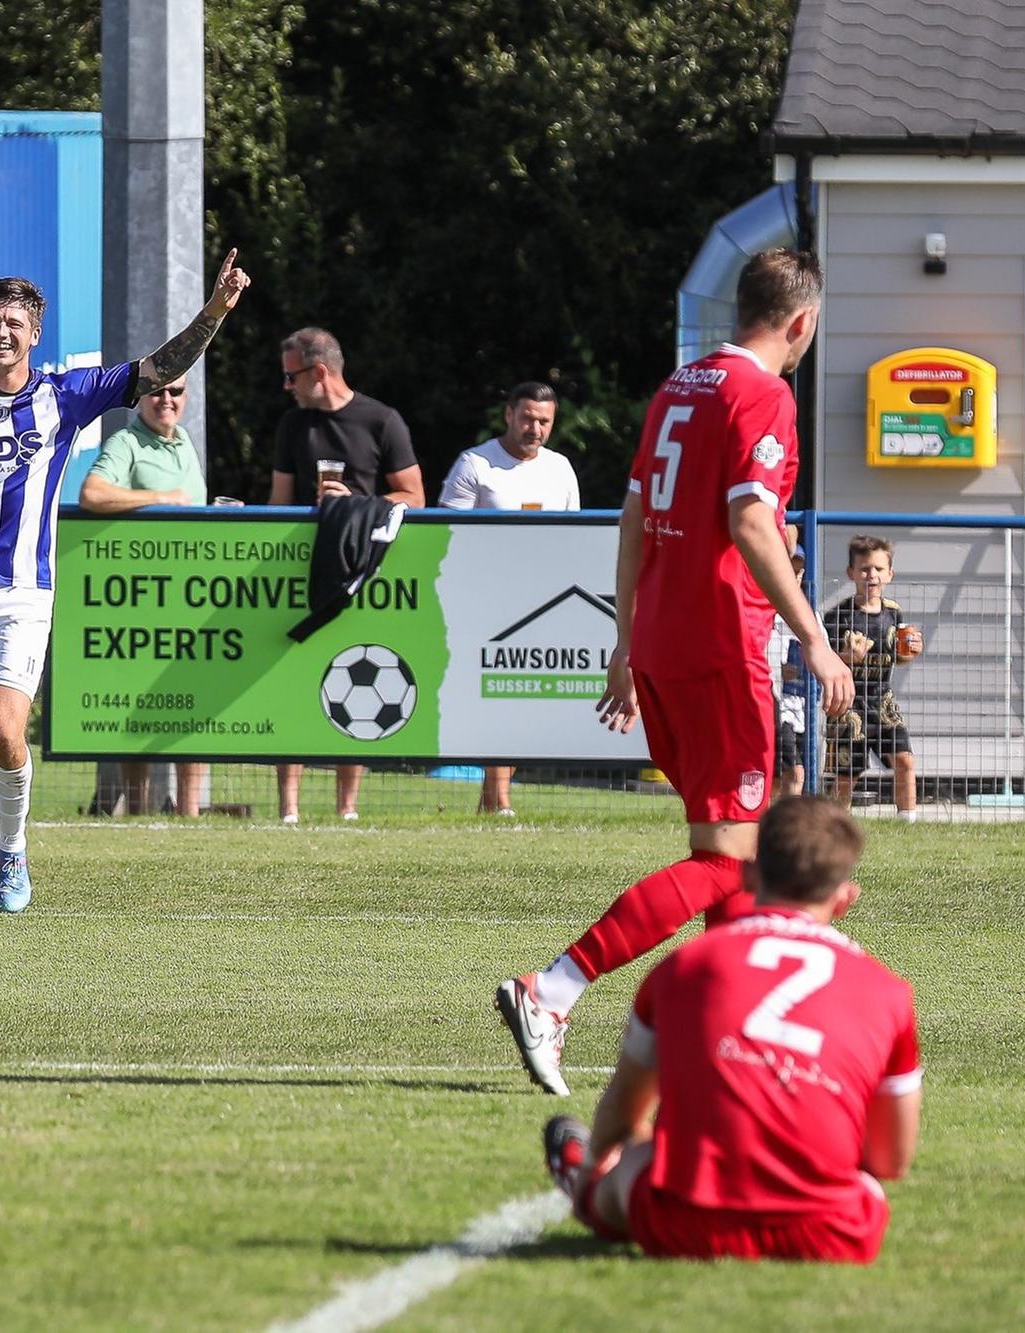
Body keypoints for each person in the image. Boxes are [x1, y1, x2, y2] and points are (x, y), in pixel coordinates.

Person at [495, 248, 856, 1096]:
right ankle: (552, 988)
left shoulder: (679, 387)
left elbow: (631, 520)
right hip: (722, 645)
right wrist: (814, 634)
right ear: (800, 322)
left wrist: (627, 640)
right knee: (730, 861)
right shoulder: (763, 393)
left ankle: (716, 1045)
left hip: (662, 640)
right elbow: (752, 521)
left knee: (720, 849)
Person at [0, 252, 252, 914]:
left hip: (22, 593)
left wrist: (217, 309)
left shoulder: (66, 395)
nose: (2, 331)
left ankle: (12, 850)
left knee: (2, 729)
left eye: (14, 322)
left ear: (35, 334)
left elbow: (158, 369)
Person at [543, 796, 922, 1264]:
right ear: (846, 898)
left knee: (635, 1160)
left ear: (746, 875)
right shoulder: (888, 992)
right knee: (864, 1182)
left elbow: (621, 1114)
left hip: (690, 1226)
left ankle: (585, 1184)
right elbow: (892, 1160)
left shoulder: (684, 966)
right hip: (828, 1233)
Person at [268, 328, 421, 823]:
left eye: (291, 376)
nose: (286, 386)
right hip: (299, 565)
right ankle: (288, 808)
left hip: (361, 569)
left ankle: (347, 808)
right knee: (290, 675)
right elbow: (277, 502)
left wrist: (356, 508)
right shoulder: (292, 424)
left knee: (358, 675)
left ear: (319, 372)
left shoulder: (382, 420)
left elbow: (414, 498)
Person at [437, 381, 581, 816]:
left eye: (544, 421)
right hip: (485, 599)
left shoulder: (561, 468)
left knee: (520, 695)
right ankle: (498, 799)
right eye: (527, 418)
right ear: (508, 415)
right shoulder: (476, 464)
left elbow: (574, 535)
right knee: (496, 693)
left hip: (543, 599)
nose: (534, 428)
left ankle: (492, 797)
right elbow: (446, 533)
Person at [79, 375, 210, 818]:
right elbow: (92, 493)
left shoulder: (186, 441)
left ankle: (190, 814)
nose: (167, 400)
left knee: (192, 708)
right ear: (142, 397)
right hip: (141, 599)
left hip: (186, 598)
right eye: (159, 391)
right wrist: (160, 498)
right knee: (139, 710)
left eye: (177, 392)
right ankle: (137, 814)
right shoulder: (125, 442)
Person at [823, 535, 922, 821]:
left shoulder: (893, 612)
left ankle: (908, 821)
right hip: (847, 703)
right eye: (864, 569)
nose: (872, 575)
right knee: (846, 775)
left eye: (879, 569)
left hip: (882, 699)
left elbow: (898, 657)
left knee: (904, 759)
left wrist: (911, 651)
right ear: (850, 573)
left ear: (890, 573)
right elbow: (821, 662)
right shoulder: (837, 617)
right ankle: (834, 825)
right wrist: (845, 657)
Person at [769, 543, 810, 798]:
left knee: (781, 777)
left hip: (803, 713)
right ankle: (786, 825)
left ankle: (773, 822)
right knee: (793, 773)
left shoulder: (808, 614)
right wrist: (776, 670)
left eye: (796, 571)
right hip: (775, 708)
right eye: (784, 569)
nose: (791, 577)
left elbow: (825, 655)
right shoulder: (758, 611)